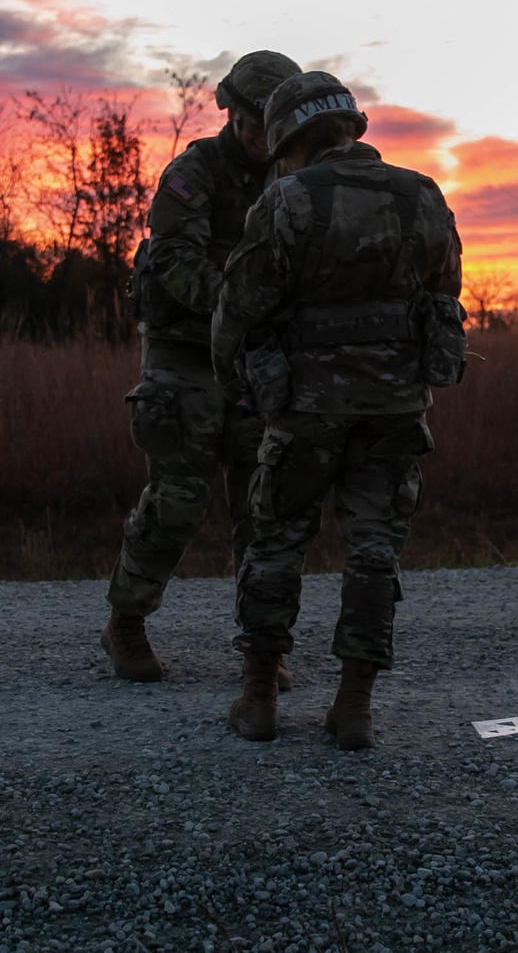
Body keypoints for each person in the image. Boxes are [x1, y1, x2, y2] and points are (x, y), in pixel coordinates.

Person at [212, 71, 464, 747]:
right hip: (394, 408)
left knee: (275, 541)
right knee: (374, 551)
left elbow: (239, 308)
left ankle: (260, 701)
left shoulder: (286, 199)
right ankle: (354, 708)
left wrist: (236, 380)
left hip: (305, 408)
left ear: (291, 140)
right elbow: (445, 290)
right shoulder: (422, 193)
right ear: (351, 127)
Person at [102, 51, 302, 684]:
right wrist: (242, 305)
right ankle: (126, 622)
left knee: (263, 504)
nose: (265, 135)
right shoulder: (193, 173)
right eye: (256, 121)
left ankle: (262, 646)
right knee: (179, 499)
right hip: (185, 351)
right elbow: (175, 262)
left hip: (254, 358)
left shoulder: (293, 178)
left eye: (276, 123)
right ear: (232, 113)